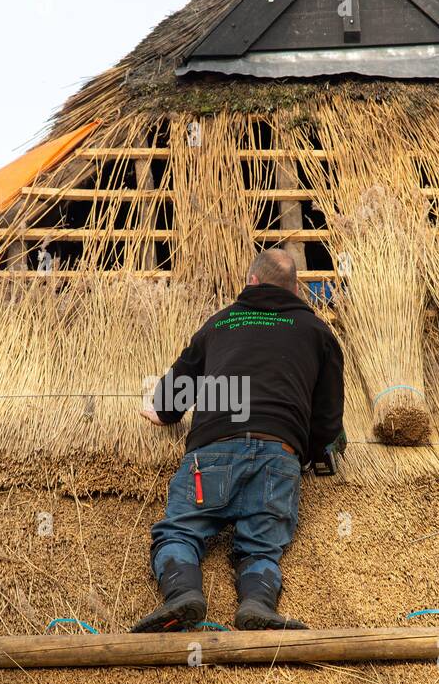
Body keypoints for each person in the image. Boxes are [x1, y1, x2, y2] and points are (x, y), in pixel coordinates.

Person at [134, 248, 345, 633]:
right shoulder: (317, 333)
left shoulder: (221, 323)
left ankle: (183, 594)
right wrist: (313, 453)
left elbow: (178, 387)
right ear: (296, 289)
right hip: (278, 456)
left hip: (213, 450)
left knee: (180, 530)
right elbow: (328, 419)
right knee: (261, 548)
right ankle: (257, 605)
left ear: (251, 282)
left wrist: (163, 414)